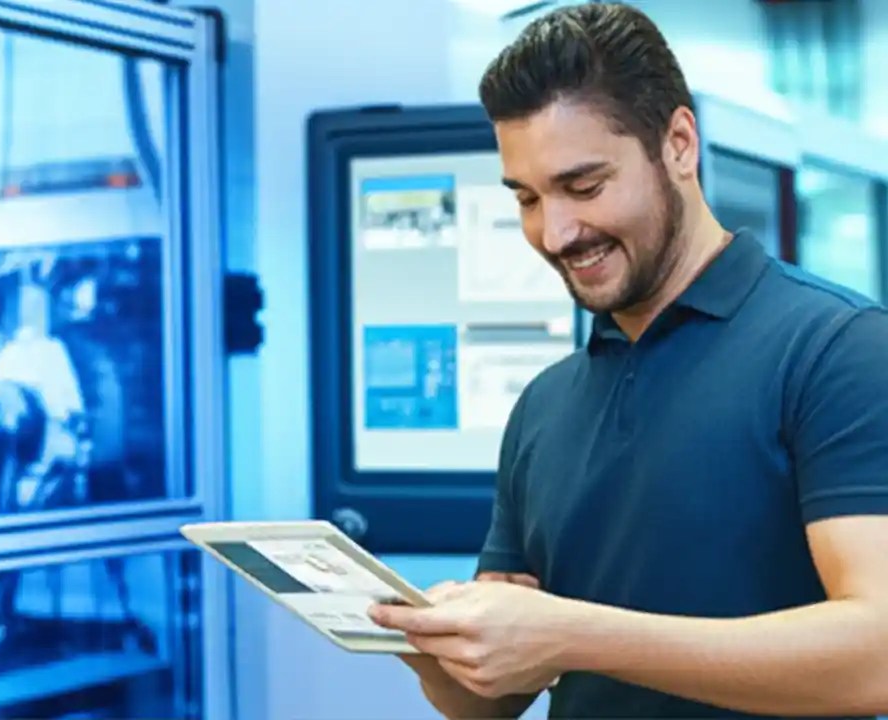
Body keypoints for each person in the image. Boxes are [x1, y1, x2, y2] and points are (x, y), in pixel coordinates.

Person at [367, 3, 888, 719]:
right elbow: (487, 705)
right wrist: (429, 641)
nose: (555, 232)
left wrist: (573, 635)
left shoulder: (839, 349)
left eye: (584, 187)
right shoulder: (546, 403)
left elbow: (877, 656)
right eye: (526, 197)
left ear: (678, 144)